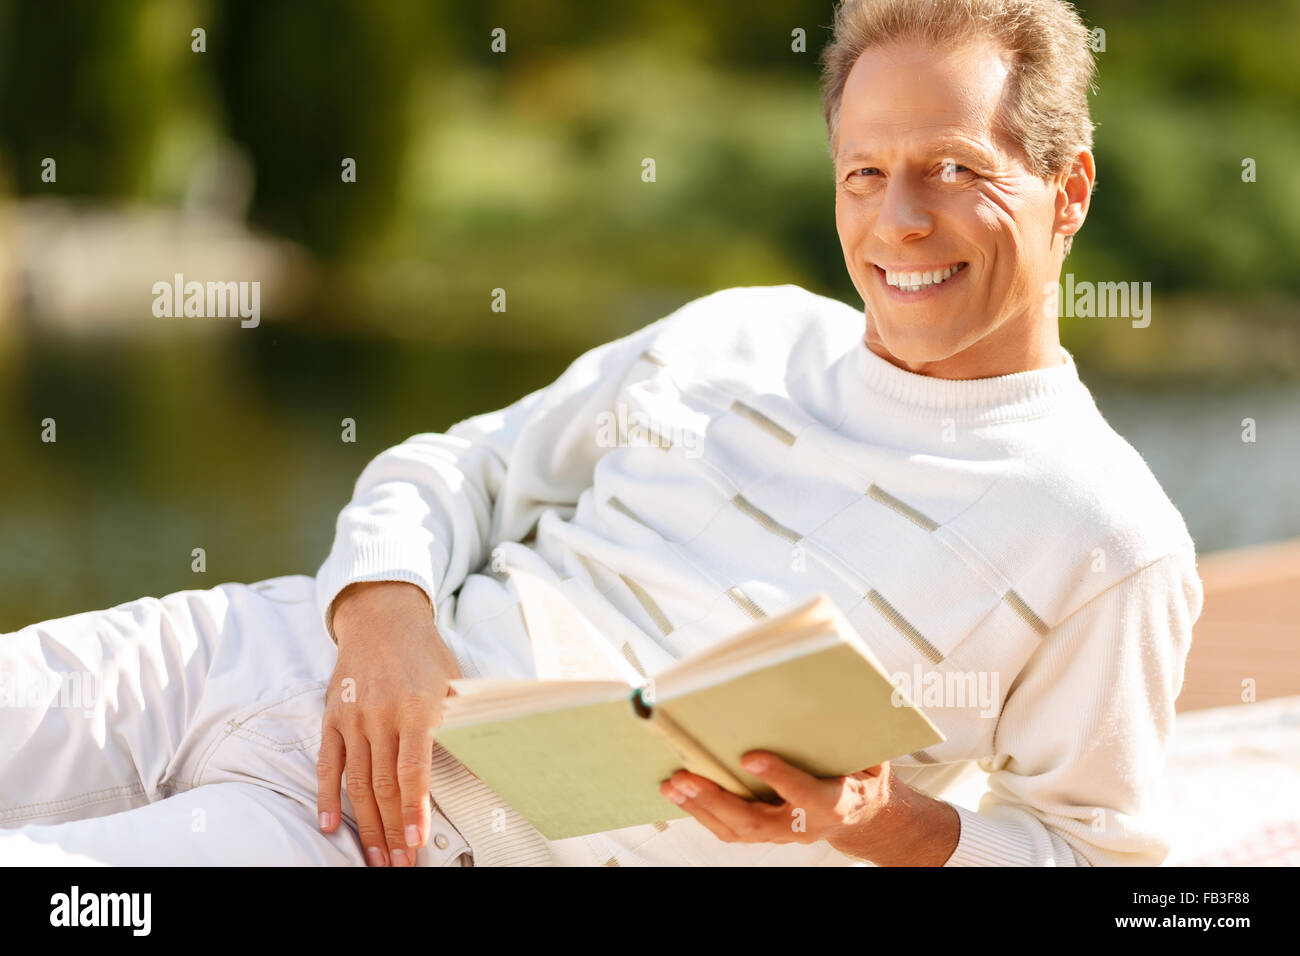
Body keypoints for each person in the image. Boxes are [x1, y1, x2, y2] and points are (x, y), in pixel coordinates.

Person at [0, 0, 1201, 867]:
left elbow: (1095, 863)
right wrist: (382, 610)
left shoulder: (1103, 532)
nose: (897, 222)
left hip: (416, 834)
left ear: (1070, 189)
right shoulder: (743, 330)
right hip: (262, 649)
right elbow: (453, 467)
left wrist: (869, 819)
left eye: (952, 169)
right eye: (863, 172)